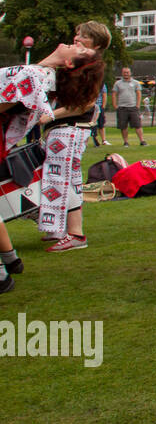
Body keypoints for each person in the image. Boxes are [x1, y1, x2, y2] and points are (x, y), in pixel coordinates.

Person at [0, 41, 101, 275]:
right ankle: (10, 262)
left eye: (81, 49)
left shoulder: (34, 75)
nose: (75, 43)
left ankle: (5, 271)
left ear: (68, 62)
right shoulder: (39, 74)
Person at [38, 22, 111, 251]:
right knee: (64, 179)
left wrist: (50, 115)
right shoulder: (82, 65)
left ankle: (75, 234)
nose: (77, 38)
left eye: (84, 36)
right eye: (78, 34)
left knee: (63, 179)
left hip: (69, 128)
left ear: (97, 44)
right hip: (65, 129)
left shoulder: (92, 66)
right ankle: (60, 228)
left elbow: (85, 104)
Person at [111, 67, 146, 146]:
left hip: (133, 107)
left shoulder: (136, 83)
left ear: (130, 73)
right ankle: (126, 142)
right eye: (124, 72)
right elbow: (114, 94)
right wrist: (115, 105)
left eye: (127, 72)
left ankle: (142, 141)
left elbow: (139, 94)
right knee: (123, 126)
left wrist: (138, 105)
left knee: (138, 125)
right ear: (122, 73)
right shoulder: (118, 83)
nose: (126, 74)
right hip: (122, 107)